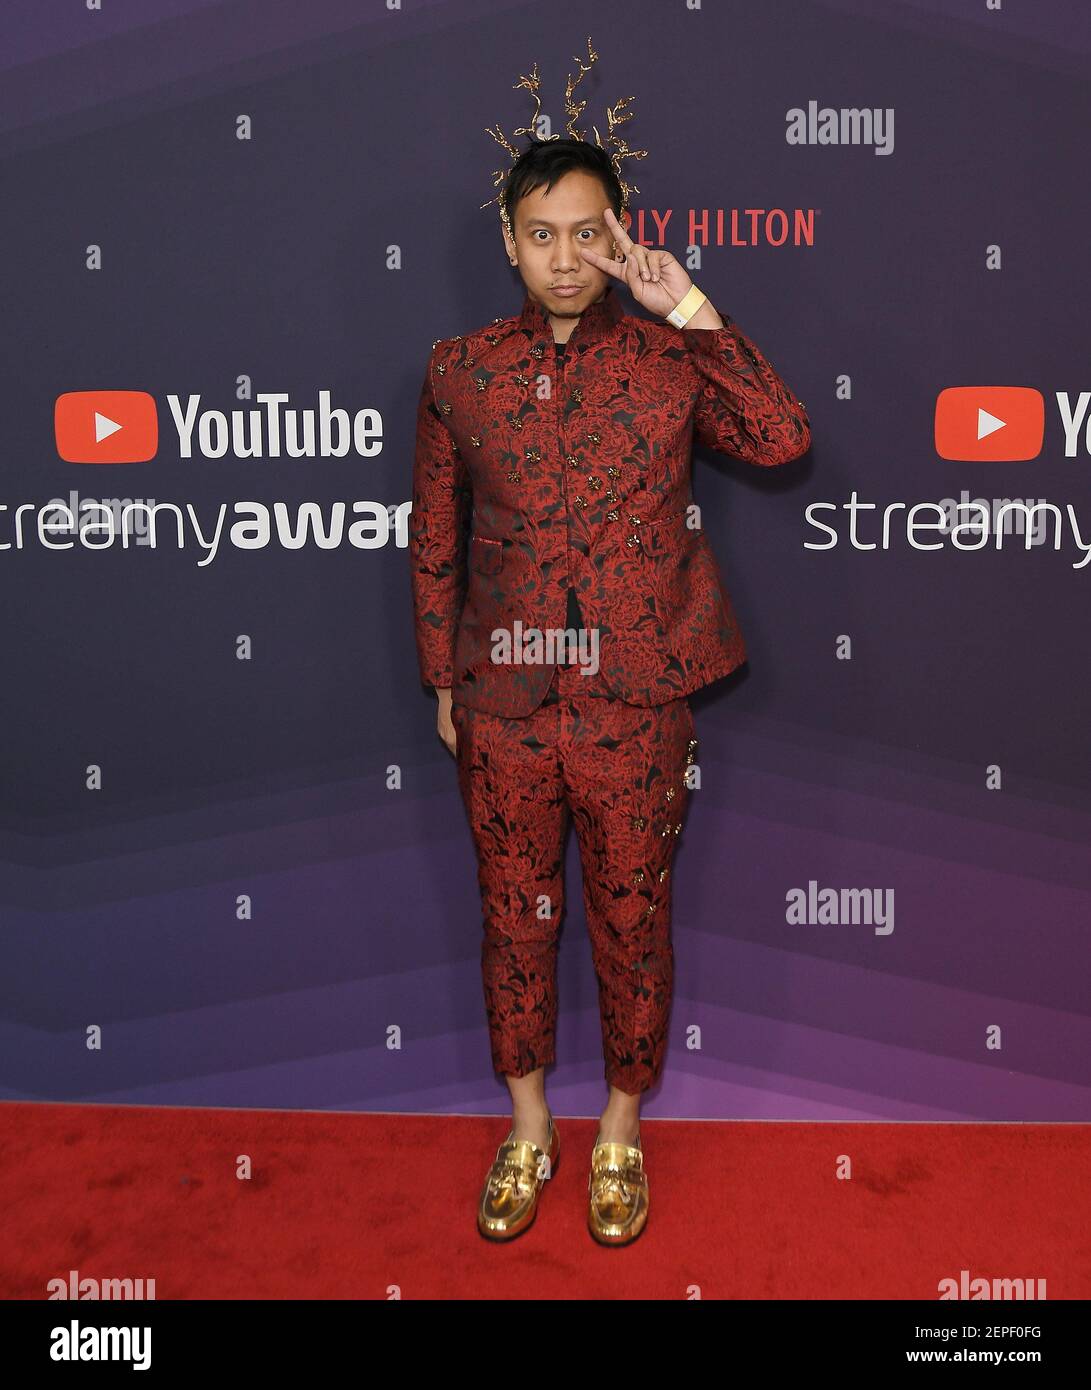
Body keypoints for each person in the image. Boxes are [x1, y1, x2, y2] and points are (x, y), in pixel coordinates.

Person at [410, 51, 811, 1246]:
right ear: (508, 239)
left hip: (638, 701)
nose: (565, 257)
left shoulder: (669, 353)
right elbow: (435, 534)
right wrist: (443, 678)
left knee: (634, 918)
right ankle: (529, 1126)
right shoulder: (457, 368)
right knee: (511, 917)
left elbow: (783, 437)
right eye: (542, 234)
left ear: (617, 236)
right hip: (505, 703)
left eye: (588, 234)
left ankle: (620, 1132)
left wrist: (684, 302)